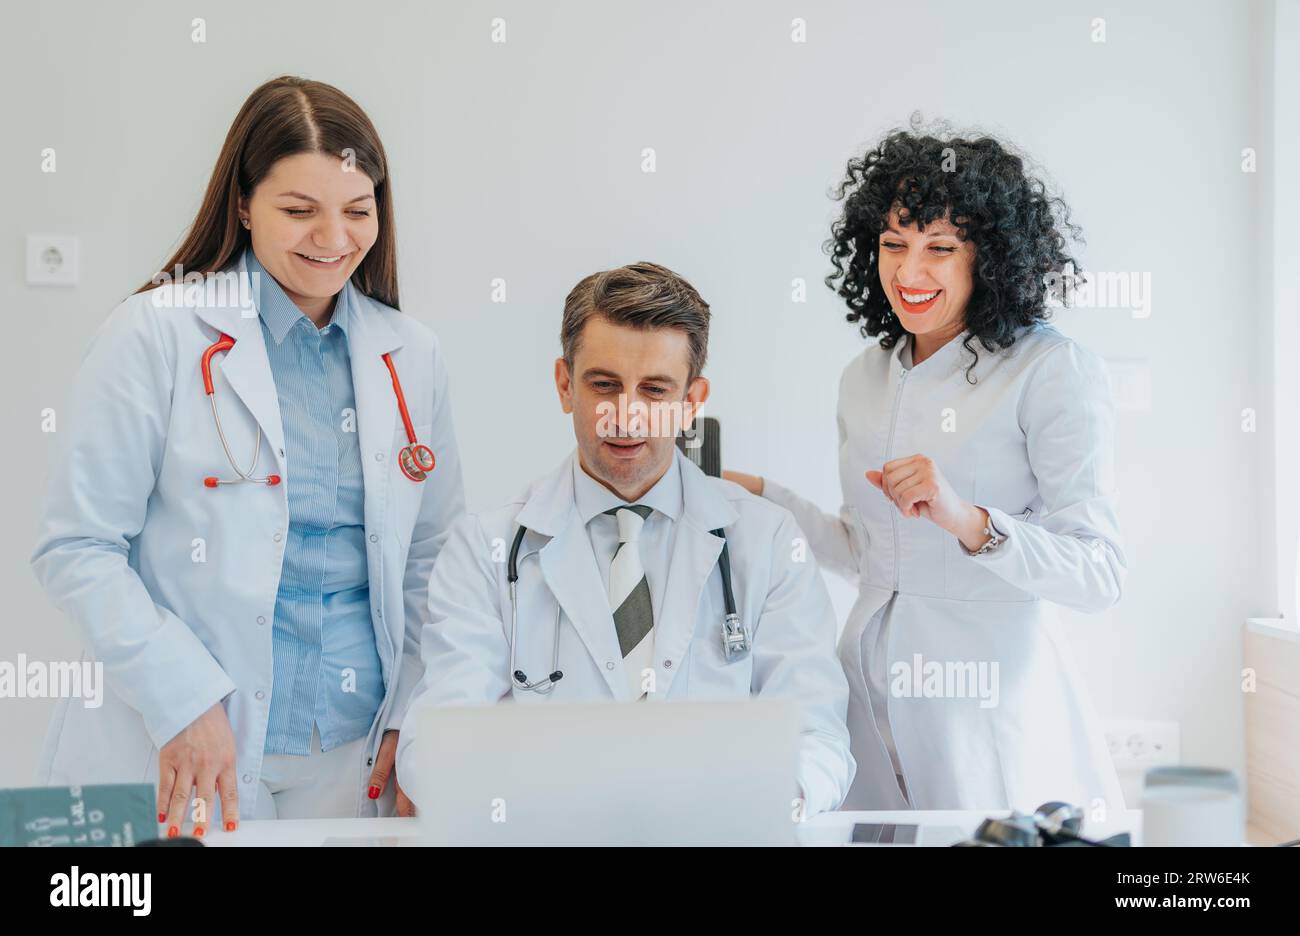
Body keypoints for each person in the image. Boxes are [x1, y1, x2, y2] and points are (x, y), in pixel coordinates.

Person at [31, 76, 465, 834]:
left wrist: (413, 713)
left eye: (357, 212)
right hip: (182, 736)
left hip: (352, 754)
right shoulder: (155, 333)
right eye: (299, 211)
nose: (333, 240)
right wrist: (182, 697)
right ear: (242, 203)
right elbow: (78, 546)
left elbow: (432, 557)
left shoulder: (411, 355)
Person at [726, 126, 1127, 813]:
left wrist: (968, 521)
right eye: (893, 245)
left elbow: (1099, 574)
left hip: (986, 703)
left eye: (940, 248)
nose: (910, 273)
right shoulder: (864, 377)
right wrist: (764, 496)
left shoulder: (1048, 370)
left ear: (990, 258)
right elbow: (870, 552)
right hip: (867, 693)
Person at [396, 261, 853, 814]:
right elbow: (437, 745)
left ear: (692, 400)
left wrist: (766, 804)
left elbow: (818, 738)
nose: (626, 416)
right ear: (565, 384)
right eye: (604, 384)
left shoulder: (769, 542)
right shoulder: (484, 551)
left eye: (655, 390)